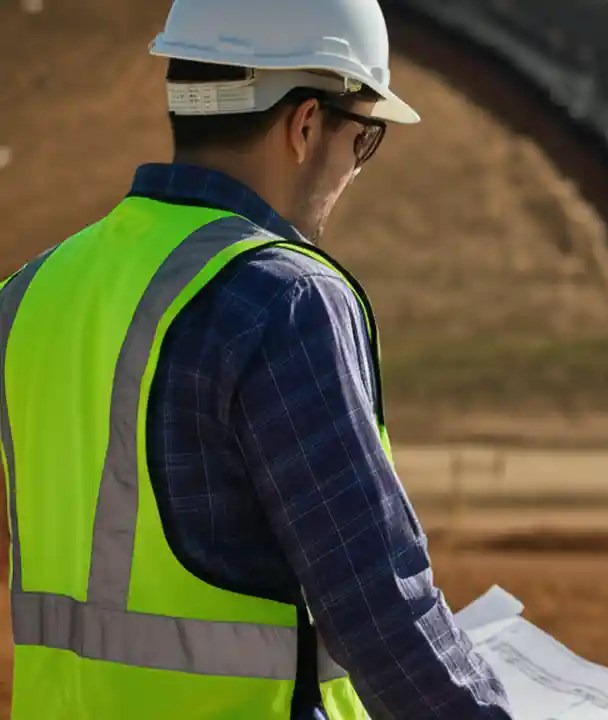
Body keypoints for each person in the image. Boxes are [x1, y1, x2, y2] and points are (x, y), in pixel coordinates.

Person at [0, 0, 513, 718]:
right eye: (364, 138)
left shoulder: (29, 293)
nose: (356, 168)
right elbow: (379, 608)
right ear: (305, 125)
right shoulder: (283, 300)